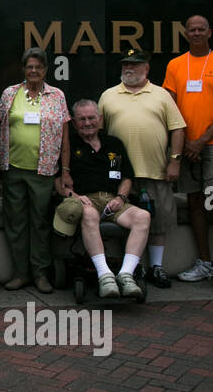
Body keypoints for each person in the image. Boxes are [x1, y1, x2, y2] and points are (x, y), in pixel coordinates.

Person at [162, 14, 213, 294]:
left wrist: (202, 140)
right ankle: (204, 262)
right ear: (185, 33)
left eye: (201, 29)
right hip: (186, 146)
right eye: (191, 30)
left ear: (210, 32)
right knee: (195, 201)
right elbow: (170, 107)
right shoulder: (175, 65)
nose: (196, 33)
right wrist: (186, 142)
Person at [97, 48, 186, 287]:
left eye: (135, 65)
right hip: (118, 173)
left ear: (146, 68)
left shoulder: (162, 95)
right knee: (123, 221)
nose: (129, 68)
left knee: (159, 222)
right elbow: (98, 134)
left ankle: (156, 267)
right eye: (126, 64)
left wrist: (175, 160)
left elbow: (177, 129)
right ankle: (132, 268)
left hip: (154, 170)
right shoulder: (108, 95)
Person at [0, 47, 70, 294]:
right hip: (13, 169)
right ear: (23, 70)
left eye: (38, 67)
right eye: (29, 67)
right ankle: (21, 273)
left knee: (40, 223)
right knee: (16, 224)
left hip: (44, 172)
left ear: (46, 70)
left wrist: (65, 170)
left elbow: (65, 137)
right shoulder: (10, 94)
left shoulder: (57, 95)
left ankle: (41, 274)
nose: (33, 71)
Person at [53, 100, 149, 299]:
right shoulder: (68, 146)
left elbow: (126, 177)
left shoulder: (114, 143)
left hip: (114, 200)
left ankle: (125, 275)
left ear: (100, 119)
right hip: (86, 201)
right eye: (82, 119)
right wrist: (76, 197)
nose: (87, 123)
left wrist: (122, 198)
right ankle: (105, 276)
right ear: (73, 122)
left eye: (91, 118)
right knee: (88, 213)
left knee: (143, 216)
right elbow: (59, 183)